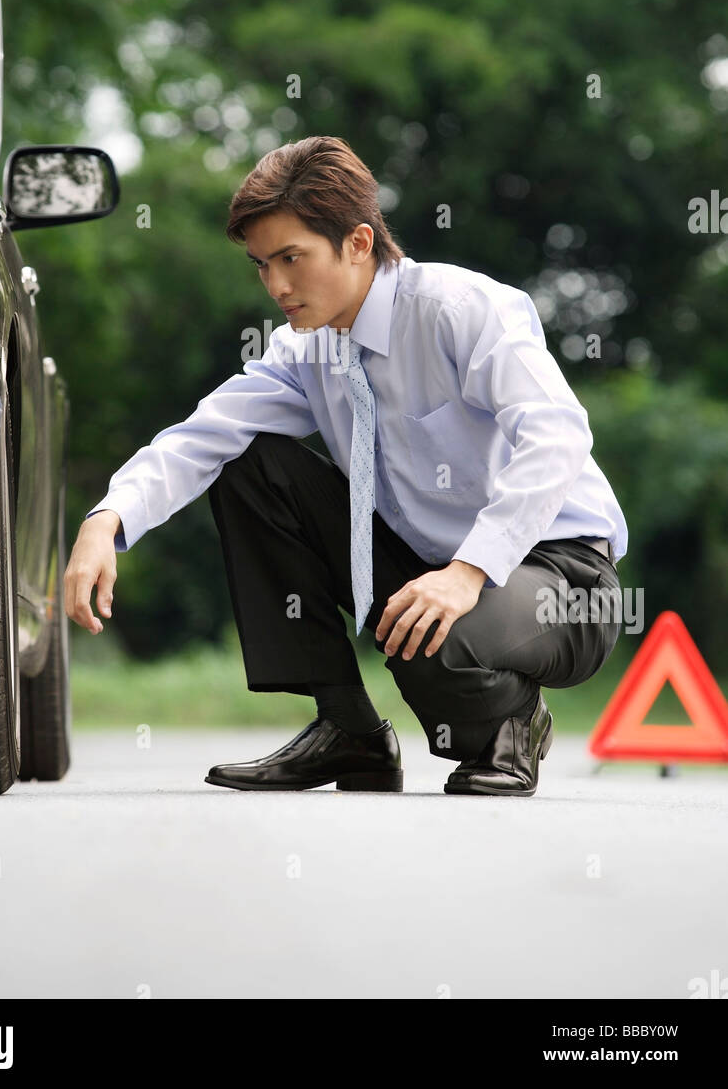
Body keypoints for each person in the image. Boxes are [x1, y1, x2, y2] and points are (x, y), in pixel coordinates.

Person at [64, 135, 628, 797]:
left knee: (437, 640)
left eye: (290, 259)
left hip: (560, 576)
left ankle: (515, 725)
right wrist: (107, 519)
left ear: (358, 243)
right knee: (250, 460)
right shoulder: (304, 349)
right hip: (427, 570)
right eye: (260, 265)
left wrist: (470, 571)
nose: (274, 284)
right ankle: (348, 732)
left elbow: (558, 435)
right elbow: (204, 435)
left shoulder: (460, 309)